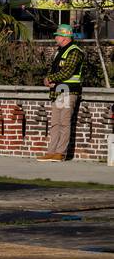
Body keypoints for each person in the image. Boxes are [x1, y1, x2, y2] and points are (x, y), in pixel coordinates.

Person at [39, 24, 85, 162]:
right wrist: (48, 80)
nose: (55, 38)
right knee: (55, 123)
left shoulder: (74, 51)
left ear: (65, 37)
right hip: (59, 89)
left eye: (57, 35)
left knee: (64, 122)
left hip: (67, 90)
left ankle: (60, 153)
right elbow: (54, 69)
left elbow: (67, 71)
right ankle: (51, 152)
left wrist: (50, 79)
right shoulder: (59, 51)